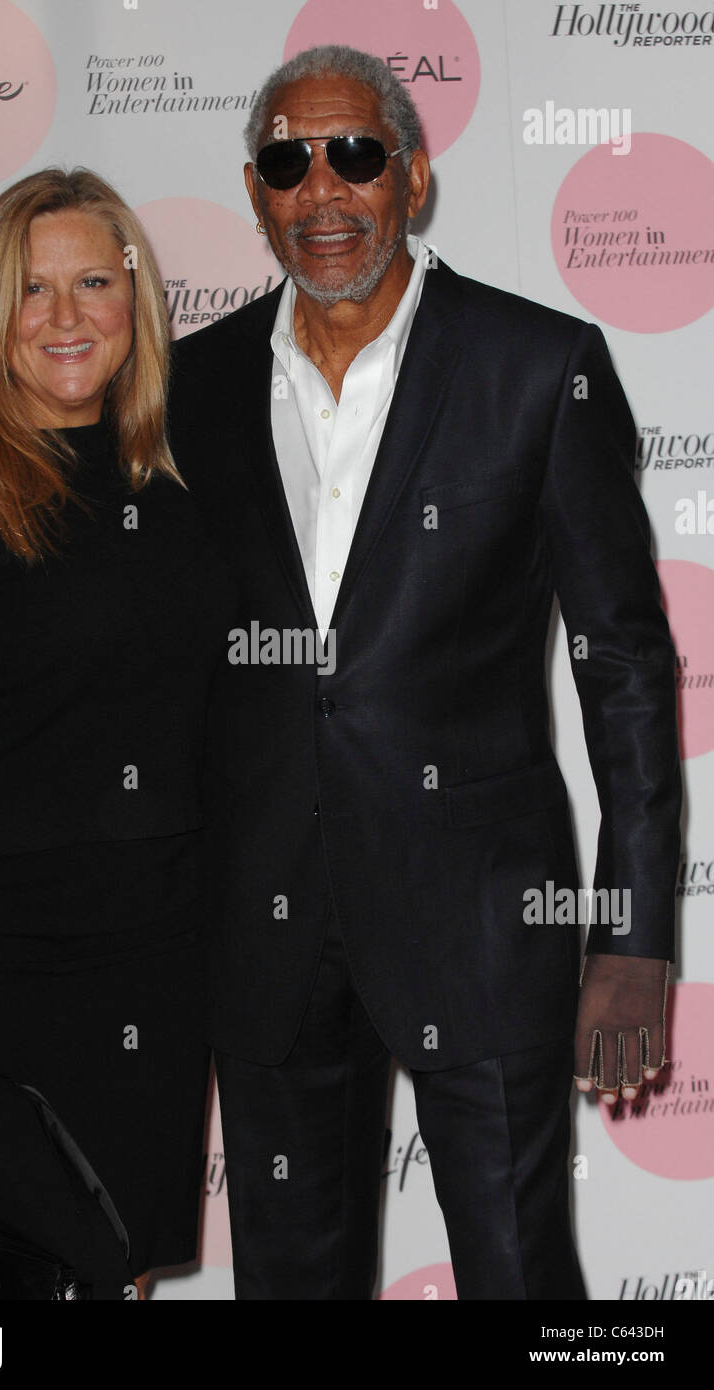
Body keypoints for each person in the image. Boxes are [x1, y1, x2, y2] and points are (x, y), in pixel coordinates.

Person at [166, 45, 682, 1300]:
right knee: (290, 1280)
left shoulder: (533, 365)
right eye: (289, 162)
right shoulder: (193, 384)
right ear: (253, 192)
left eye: (356, 154)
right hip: (266, 919)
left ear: (414, 176)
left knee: (513, 1272)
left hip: (482, 915)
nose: (324, 191)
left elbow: (621, 663)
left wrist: (631, 934)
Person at [0, 167, 234, 1297]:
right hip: (2, 976)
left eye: (93, 283)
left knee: (112, 1273)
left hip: (157, 970)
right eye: (30, 290)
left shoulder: (170, 497)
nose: (66, 316)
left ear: (136, 303)